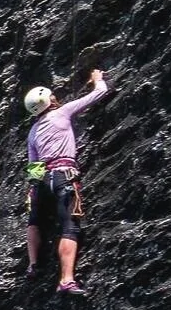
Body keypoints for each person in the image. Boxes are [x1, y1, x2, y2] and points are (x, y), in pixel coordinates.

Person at [24, 68, 110, 294]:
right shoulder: (62, 113)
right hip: (64, 174)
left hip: (42, 181)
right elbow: (99, 94)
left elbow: (34, 165)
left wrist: (34, 188)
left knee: (35, 220)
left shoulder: (32, 132)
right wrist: (97, 79)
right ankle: (66, 279)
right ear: (49, 100)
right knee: (69, 227)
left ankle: (33, 264)